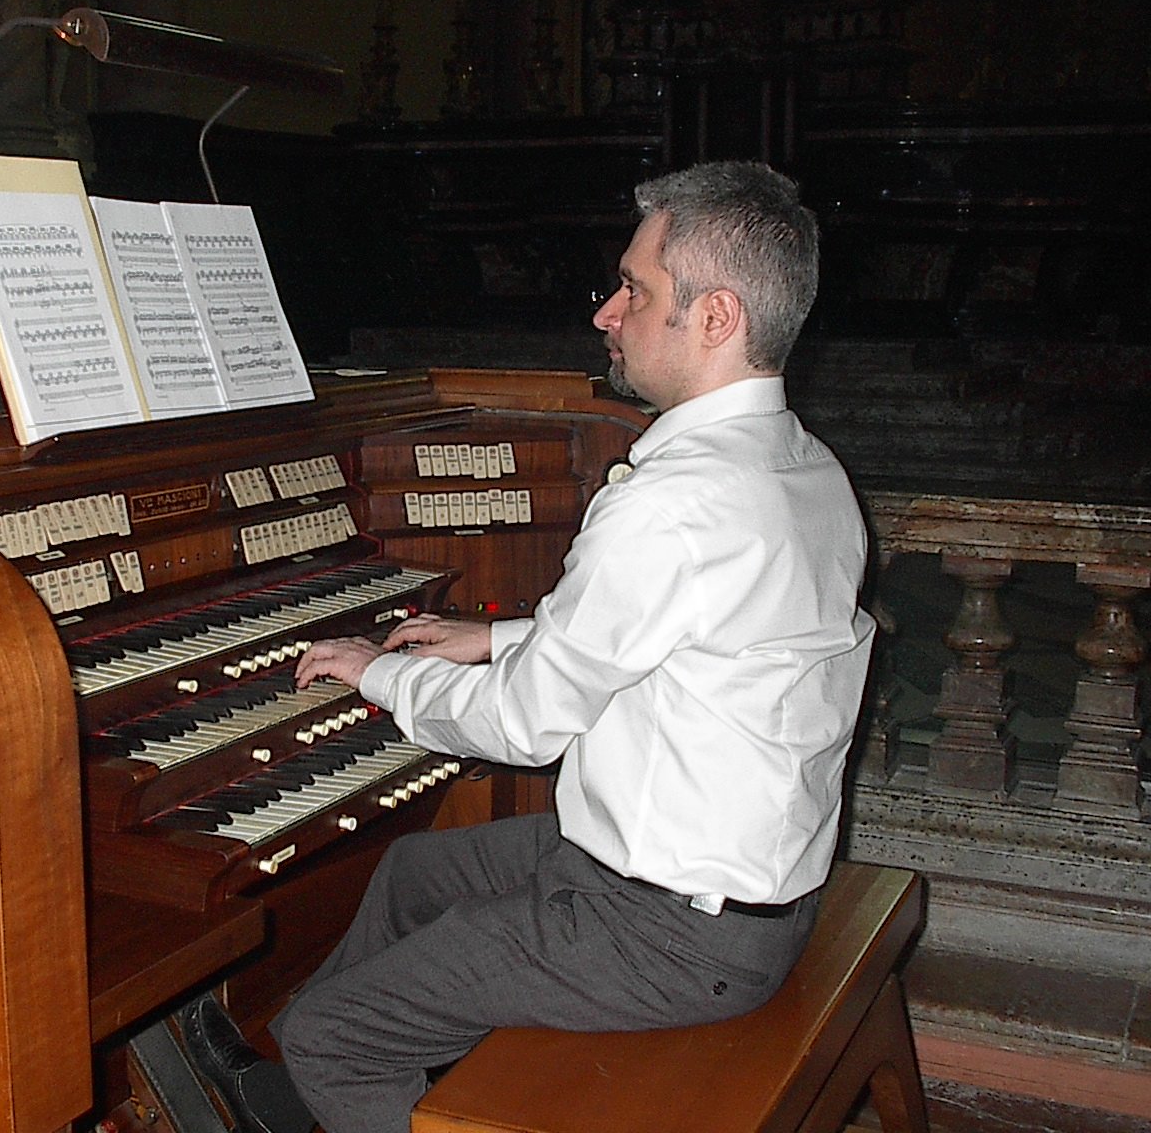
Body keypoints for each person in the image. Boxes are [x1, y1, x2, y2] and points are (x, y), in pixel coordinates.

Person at [188, 160, 878, 1133]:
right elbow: (698, 631)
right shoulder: (801, 464)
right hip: (710, 884)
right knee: (414, 877)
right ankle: (289, 1104)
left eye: (634, 290)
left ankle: (325, 1070)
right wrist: (497, 633)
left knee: (337, 1032)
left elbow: (522, 726)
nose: (606, 312)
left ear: (715, 317)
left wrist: (384, 674)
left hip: (671, 933)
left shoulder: (678, 498)